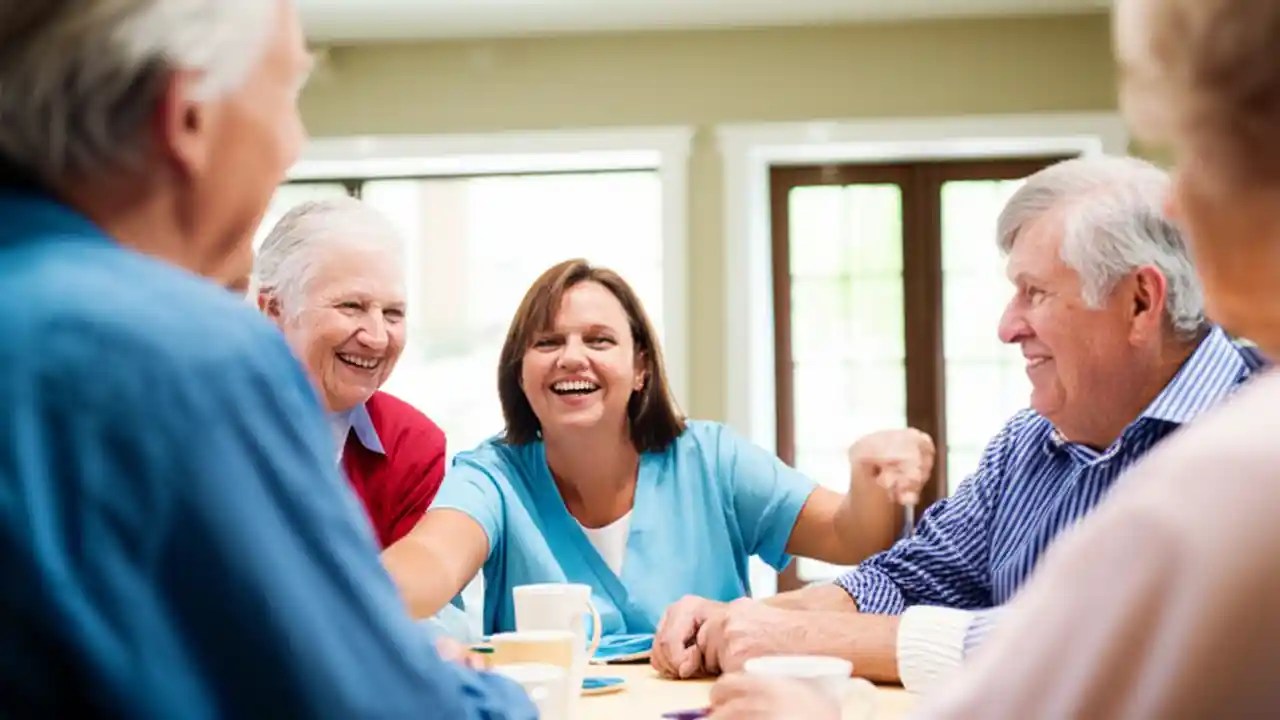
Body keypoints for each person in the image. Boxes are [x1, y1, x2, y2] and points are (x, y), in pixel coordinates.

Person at [0, 1, 531, 716]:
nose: (294, 139)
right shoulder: (183, 353)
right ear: (188, 116)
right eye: (287, 96)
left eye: (392, 311)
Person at [666, 156, 1263, 691]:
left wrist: (805, 641)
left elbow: (1107, 641)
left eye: (1036, 293)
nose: (1008, 326)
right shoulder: (1027, 444)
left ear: (1139, 301)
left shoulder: (1252, 440)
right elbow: (911, 578)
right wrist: (746, 621)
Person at [915, 0, 1280, 716]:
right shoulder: (1029, 442)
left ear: (1142, 304)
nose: (1175, 205)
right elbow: (924, 572)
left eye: (1194, 151)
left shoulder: (1239, 462)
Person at [382, 259, 930, 637]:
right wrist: (347, 591)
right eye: (547, 342)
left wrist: (872, 482)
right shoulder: (492, 477)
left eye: (599, 340)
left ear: (640, 367)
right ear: (520, 374)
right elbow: (431, 557)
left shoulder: (712, 459)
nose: (572, 357)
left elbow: (848, 534)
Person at [256, 197, 447, 550]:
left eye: (393, 313)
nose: (376, 337)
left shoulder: (412, 445)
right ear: (273, 310)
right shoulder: (208, 424)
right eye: (351, 306)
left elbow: (412, 600)